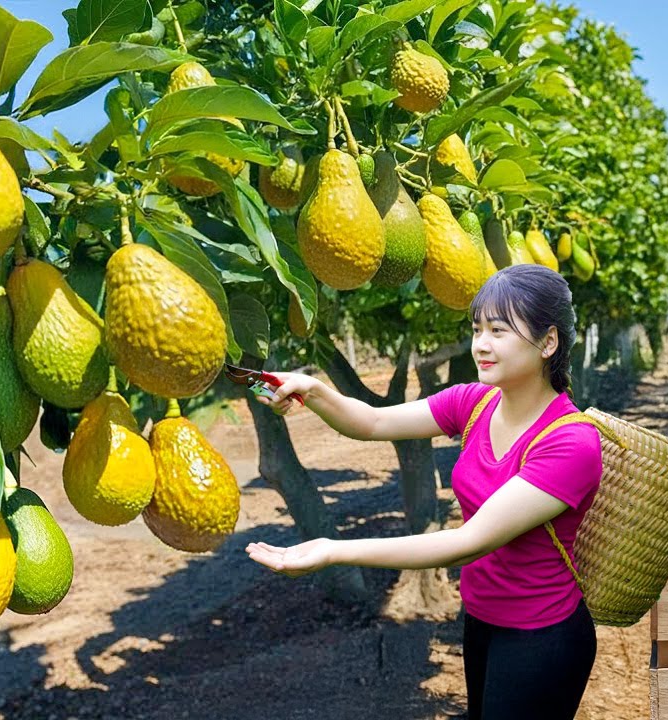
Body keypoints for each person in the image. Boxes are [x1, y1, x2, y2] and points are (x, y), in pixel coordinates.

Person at [244, 264, 603, 720]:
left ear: (548, 342)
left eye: (499, 330)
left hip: (541, 636)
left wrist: (334, 550)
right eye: (477, 329)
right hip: (482, 619)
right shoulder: (474, 403)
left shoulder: (570, 442)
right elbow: (373, 422)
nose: (481, 344)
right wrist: (314, 391)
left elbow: (465, 543)